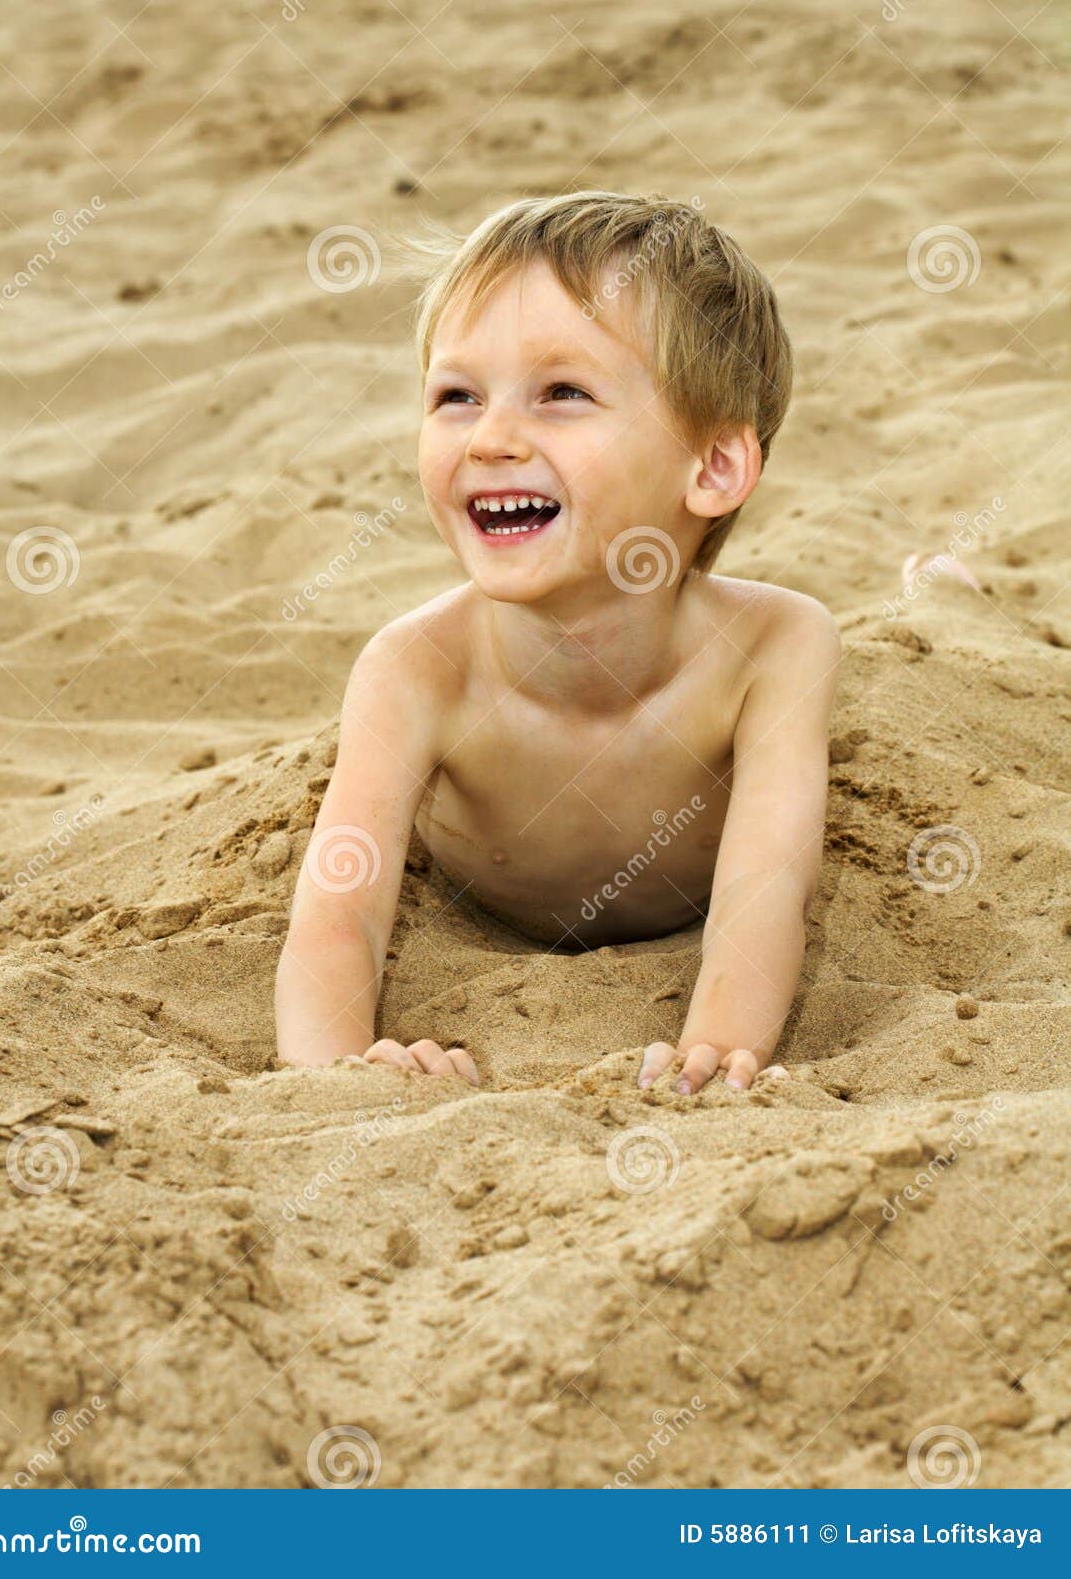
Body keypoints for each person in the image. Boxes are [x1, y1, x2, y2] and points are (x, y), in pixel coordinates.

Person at [274, 190, 842, 1096]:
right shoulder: (415, 667)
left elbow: (763, 891)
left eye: (562, 393)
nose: (492, 438)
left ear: (714, 468)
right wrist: (339, 1069)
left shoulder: (773, 647)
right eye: (456, 395)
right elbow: (340, 913)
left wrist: (718, 1052)